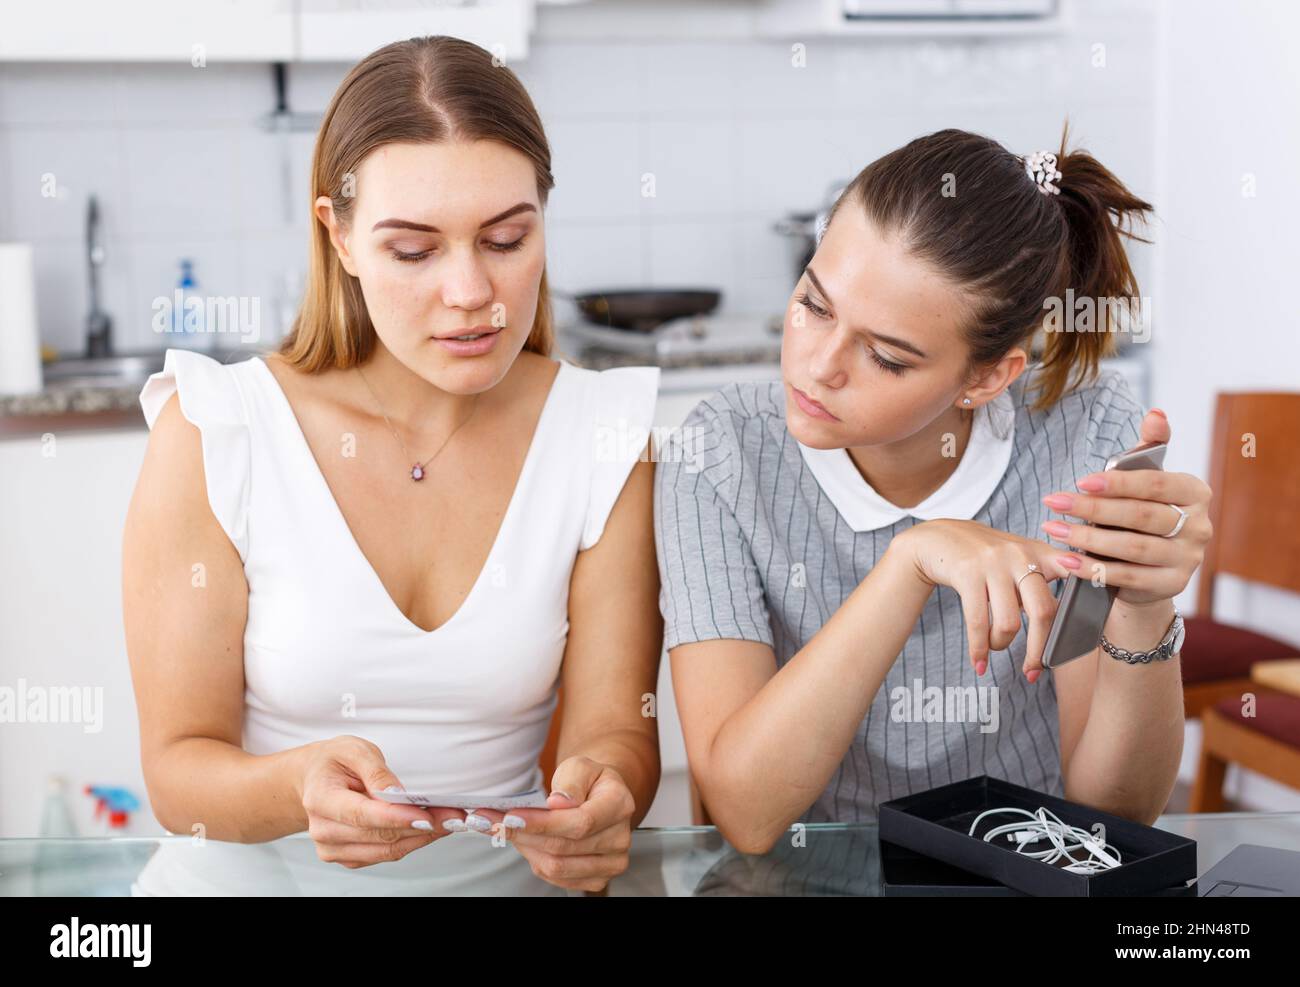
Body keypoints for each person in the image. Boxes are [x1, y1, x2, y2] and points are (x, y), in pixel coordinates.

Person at [123, 36, 662, 895]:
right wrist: (298, 786)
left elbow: (615, 729)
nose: (471, 292)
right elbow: (177, 771)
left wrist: (609, 790)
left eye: (507, 238)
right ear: (337, 237)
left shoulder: (603, 433)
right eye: (414, 251)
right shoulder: (218, 426)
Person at [654, 128, 1212, 854]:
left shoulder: (1086, 428)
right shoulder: (721, 449)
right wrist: (910, 562)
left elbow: (1114, 812)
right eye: (813, 304)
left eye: (885, 356)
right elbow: (748, 810)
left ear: (986, 379)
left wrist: (1144, 607)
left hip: (1024, 863)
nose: (817, 366)